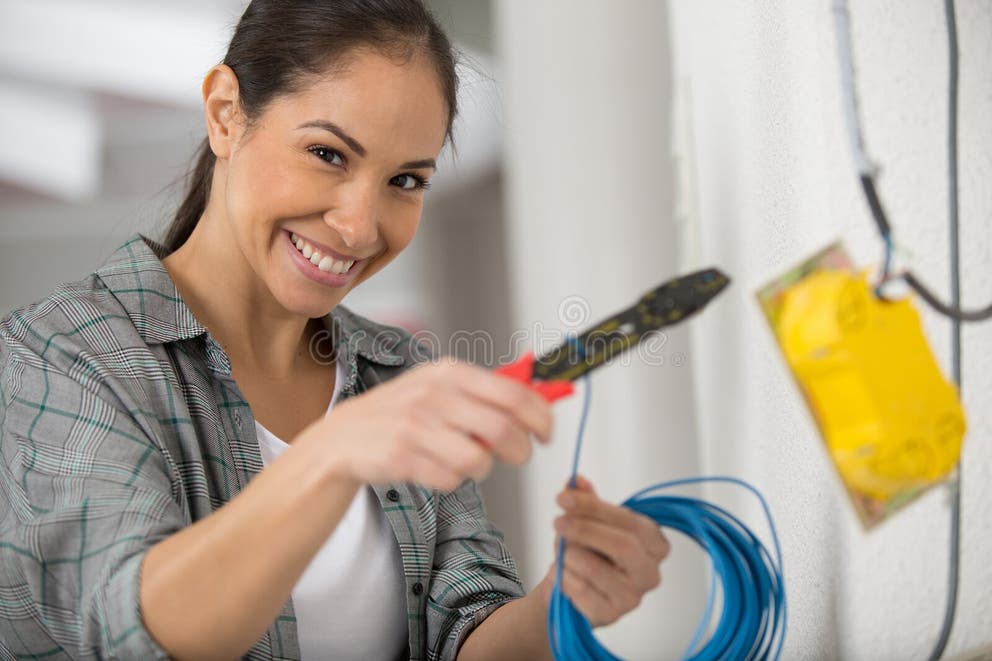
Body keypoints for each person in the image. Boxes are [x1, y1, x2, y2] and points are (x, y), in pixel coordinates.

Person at [0, 1, 671, 659]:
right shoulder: (59, 359)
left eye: (405, 179)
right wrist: (330, 456)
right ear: (226, 114)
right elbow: (130, 627)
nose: (360, 225)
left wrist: (559, 606)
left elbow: (460, 635)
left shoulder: (399, 373)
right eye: (328, 153)